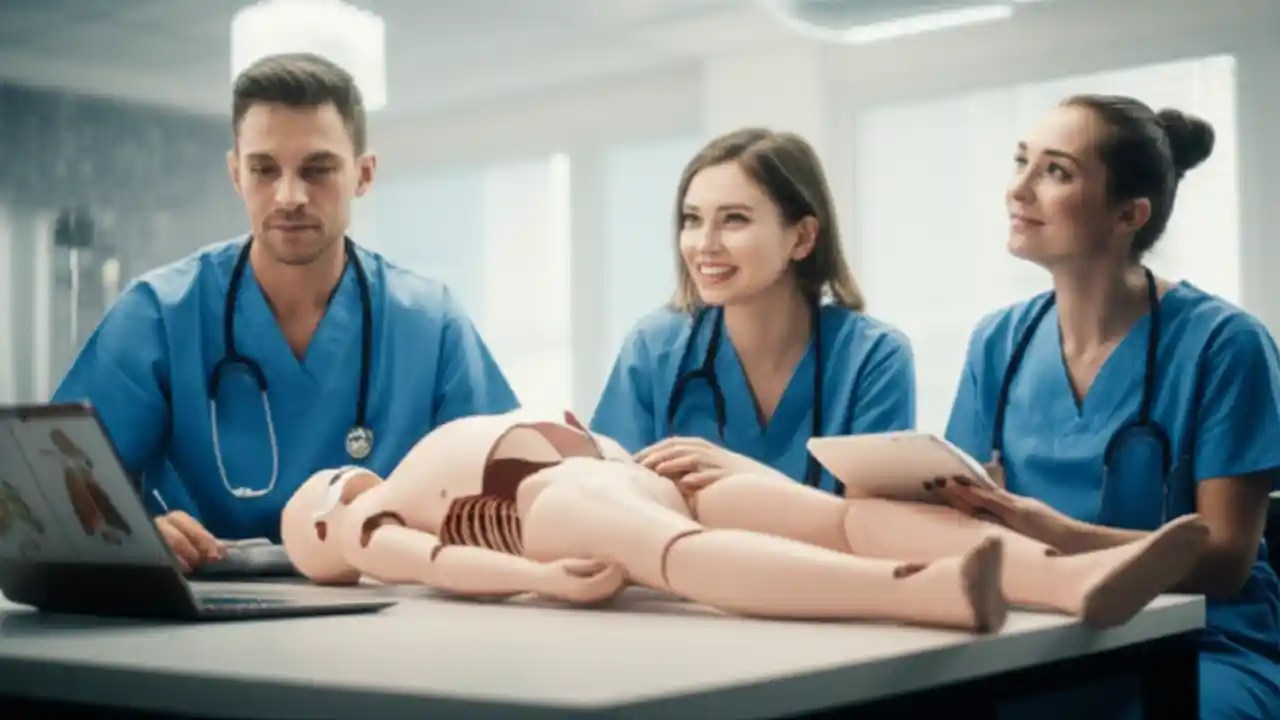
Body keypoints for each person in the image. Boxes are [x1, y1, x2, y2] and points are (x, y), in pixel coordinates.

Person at [51, 53, 518, 572]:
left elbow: (504, 496)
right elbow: (58, 493)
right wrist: (134, 533)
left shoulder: (431, 325)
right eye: (264, 169)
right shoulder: (159, 316)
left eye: (317, 170)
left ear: (364, 175)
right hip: (200, 620)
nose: (290, 196)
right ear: (235, 173)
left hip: (390, 615)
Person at [938, 94, 1280, 719]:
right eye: (1021, 162)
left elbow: (1228, 561)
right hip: (1038, 634)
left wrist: (1060, 536)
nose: (1018, 190)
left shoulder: (1225, 345)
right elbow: (964, 509)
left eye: (1055, 171)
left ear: (1129, 213)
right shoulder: (999, 342)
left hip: (1200, 645)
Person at [280, 409, 1209, 635]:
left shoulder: (400, 463)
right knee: (687, 557)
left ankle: (1063, 573)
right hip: (550, 510)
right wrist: (535, 575)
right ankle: (932, 595)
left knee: (847, 515)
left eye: (324, 481)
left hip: (628, 469)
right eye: (316, 509)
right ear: (327, 544)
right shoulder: (379, 526)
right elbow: (440, 563)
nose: (331, 487)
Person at [590, 128, 914, 494]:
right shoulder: (655, 349)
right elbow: (610, 500)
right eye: (692, 220)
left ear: (802, 237)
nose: (704, 245)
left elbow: (879, 531)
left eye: (734, 219)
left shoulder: (872, 358)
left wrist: (749, 480)